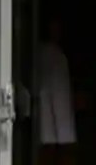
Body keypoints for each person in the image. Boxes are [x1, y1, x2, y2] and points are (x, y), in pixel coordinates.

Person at [39, 17, 77, 165]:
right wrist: (67, 140)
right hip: (50, 141)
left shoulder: (35, 55)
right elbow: (61, 103)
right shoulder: (55, 56)